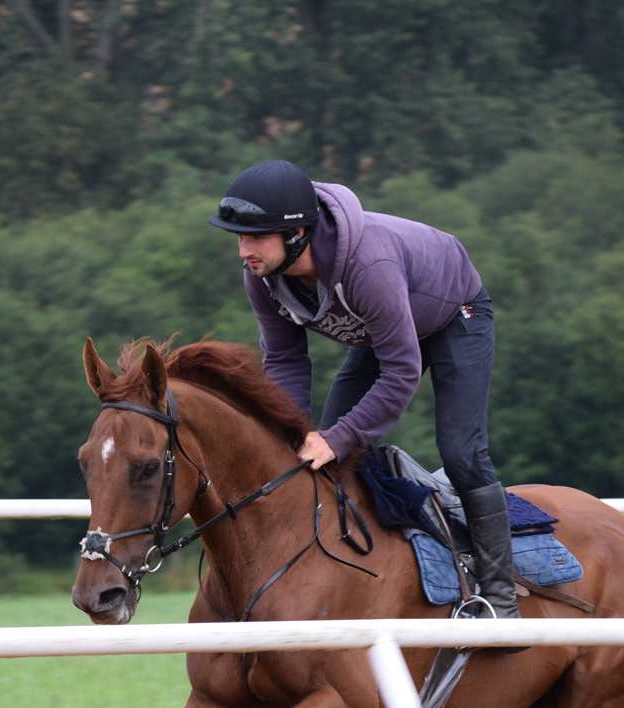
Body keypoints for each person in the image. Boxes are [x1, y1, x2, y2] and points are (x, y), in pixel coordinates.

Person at [208, 159, 521, 621]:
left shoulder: (368, 266)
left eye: (256, 237)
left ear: (296, 234)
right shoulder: (262, 277)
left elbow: (401, 371)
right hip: (386, 330)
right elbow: (285, 360)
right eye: (239, 238)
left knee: (460, 451)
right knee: (331, 457)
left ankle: (500, 596)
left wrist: (336, 437)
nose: (244, 251)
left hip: (455, 315)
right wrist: (288, 435)